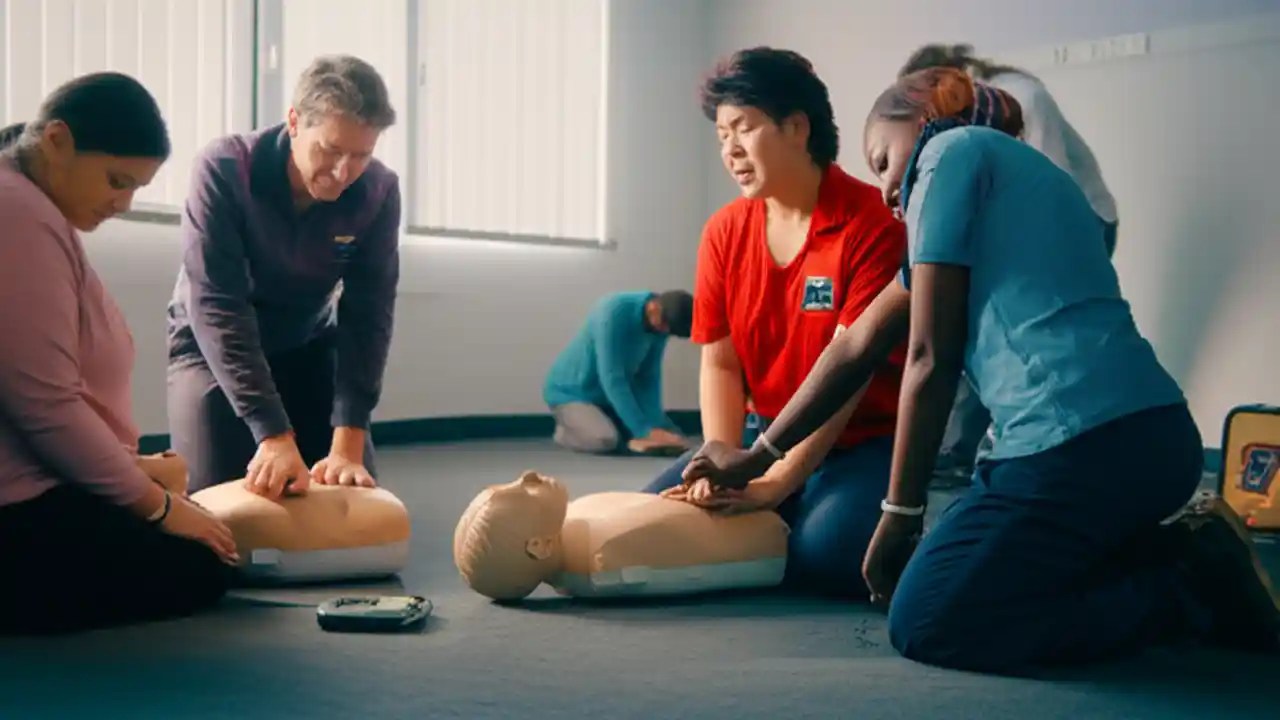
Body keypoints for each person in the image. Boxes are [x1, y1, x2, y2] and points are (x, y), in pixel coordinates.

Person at [681, 67, 1279, 674]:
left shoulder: (951, 151)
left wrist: (901, 513)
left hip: (1079, 447)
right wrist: (758, 455)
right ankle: (1178, 550)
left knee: (929, 619)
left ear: (922, 124)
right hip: (1144, 438)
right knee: (964, 578)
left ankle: (1182, 592)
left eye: (883, 160)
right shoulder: (993, 196)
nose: (886, 190)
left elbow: (928, 358)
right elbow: (858, 344)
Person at [641, 47, 908, 598]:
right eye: (721, 136)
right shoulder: (723, 231)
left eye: (744, 128)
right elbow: (719, 358)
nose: (730, 150)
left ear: (795, 127)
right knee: (653, 520)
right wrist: (719, 459)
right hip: (755, 435)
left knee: (828, 556)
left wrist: (777, 481)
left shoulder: (873, 225)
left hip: (858, 441)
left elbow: (849, 378)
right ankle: (781, 513)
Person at [0, 72, 236, 635]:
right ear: (56, 140)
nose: (123, 203)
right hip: (16, 507)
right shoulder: (18, 217)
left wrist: (133, 474)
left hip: (39, 479)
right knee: (200, 564)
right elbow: (45, 407)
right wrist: (156, 506)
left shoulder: (32, 209)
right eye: (115, 181)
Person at [166, 55, 402, 498]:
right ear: (294, 122)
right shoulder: (224, 168)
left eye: (361, 156)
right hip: (209, 350)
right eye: (331, 150)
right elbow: (218, 305)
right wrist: (271, 433)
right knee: (221, 505)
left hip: (306, 347)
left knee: (352, 497)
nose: (342, 173)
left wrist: (349, 438)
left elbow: (369, 315)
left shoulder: (379, 191)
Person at [900, 43, 1121, 484]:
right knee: (974, 324)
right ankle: (960, 449)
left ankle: (1032, 444)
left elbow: (1046, 181)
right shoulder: (963, 128)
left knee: (1023, 327)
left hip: (1085, 217)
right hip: (1022, 219)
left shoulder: (1022, 97)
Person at [544, 290, 695, 455]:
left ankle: (611, 424)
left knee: (673, 436)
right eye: (664, 326)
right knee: (605, 440)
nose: (665, 332)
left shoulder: (661, 325)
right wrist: (645, 431)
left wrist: (657, 424)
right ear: (654, 307)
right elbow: (612, 378)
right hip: (572, 393)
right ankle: (565, 433)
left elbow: (649, 377)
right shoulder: (612, 313)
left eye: (669, 330)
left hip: (607, 398)